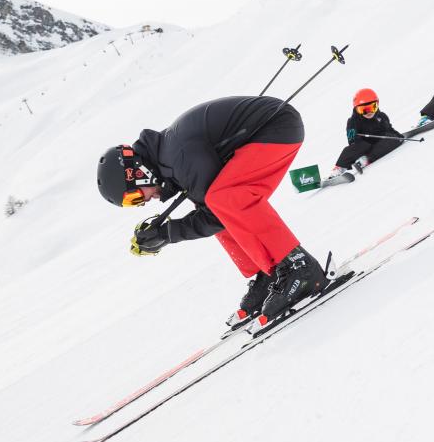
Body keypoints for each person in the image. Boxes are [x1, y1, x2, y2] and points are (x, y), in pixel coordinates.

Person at [95, 94, 325, 329]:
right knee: (216, 202)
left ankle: (300, 266)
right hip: (269, 129)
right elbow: (212, 214)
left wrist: (167, 234)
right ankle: (269, 272)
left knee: (224, 198)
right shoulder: (169, 159)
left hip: (277, 127)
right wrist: (165, 232)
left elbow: (214, 216)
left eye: (134, 197)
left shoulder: (179, 156)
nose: (142, 202)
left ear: (137, 173)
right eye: (132, 203)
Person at [332, 87, 404, 180]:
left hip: (379, 144)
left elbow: (389, 129)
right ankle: (339, 168)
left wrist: (398, 136)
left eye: (372, 107)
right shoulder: (353, 121)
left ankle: (365, 160)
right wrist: (357, 140)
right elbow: (351, 140)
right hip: (362, 146)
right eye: (363, 110)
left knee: (391, 139)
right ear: (356, 109)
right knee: (358, 146)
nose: (368, 112)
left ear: (377, 104)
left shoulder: (381, 117)